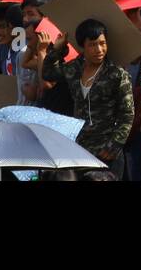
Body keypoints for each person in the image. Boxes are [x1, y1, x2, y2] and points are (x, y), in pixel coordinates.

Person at [30, 19, 134, 178]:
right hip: (80, 149)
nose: (99, 49)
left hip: (107, 151)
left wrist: (115, 144)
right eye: (93, 44)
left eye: (102, 43)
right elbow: (48, 74)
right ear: (82, 47)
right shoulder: (73, 69)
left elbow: (127, 114)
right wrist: (57, 50)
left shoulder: (117, 75)